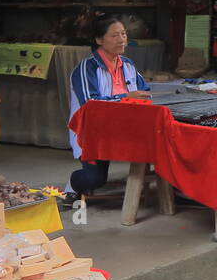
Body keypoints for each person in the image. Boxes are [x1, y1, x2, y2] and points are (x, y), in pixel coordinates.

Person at [64, 15, 151, 205]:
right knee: (95, 179)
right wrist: (125, 98)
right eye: (114, 35)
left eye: (123, 34)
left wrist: (139, 98)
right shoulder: (87, 68)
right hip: (92, 132)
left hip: (125, 128)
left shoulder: (127, 64)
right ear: (99, 40)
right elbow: (91, 103)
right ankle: (71, 185)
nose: (121, 40)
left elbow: (144, 91)